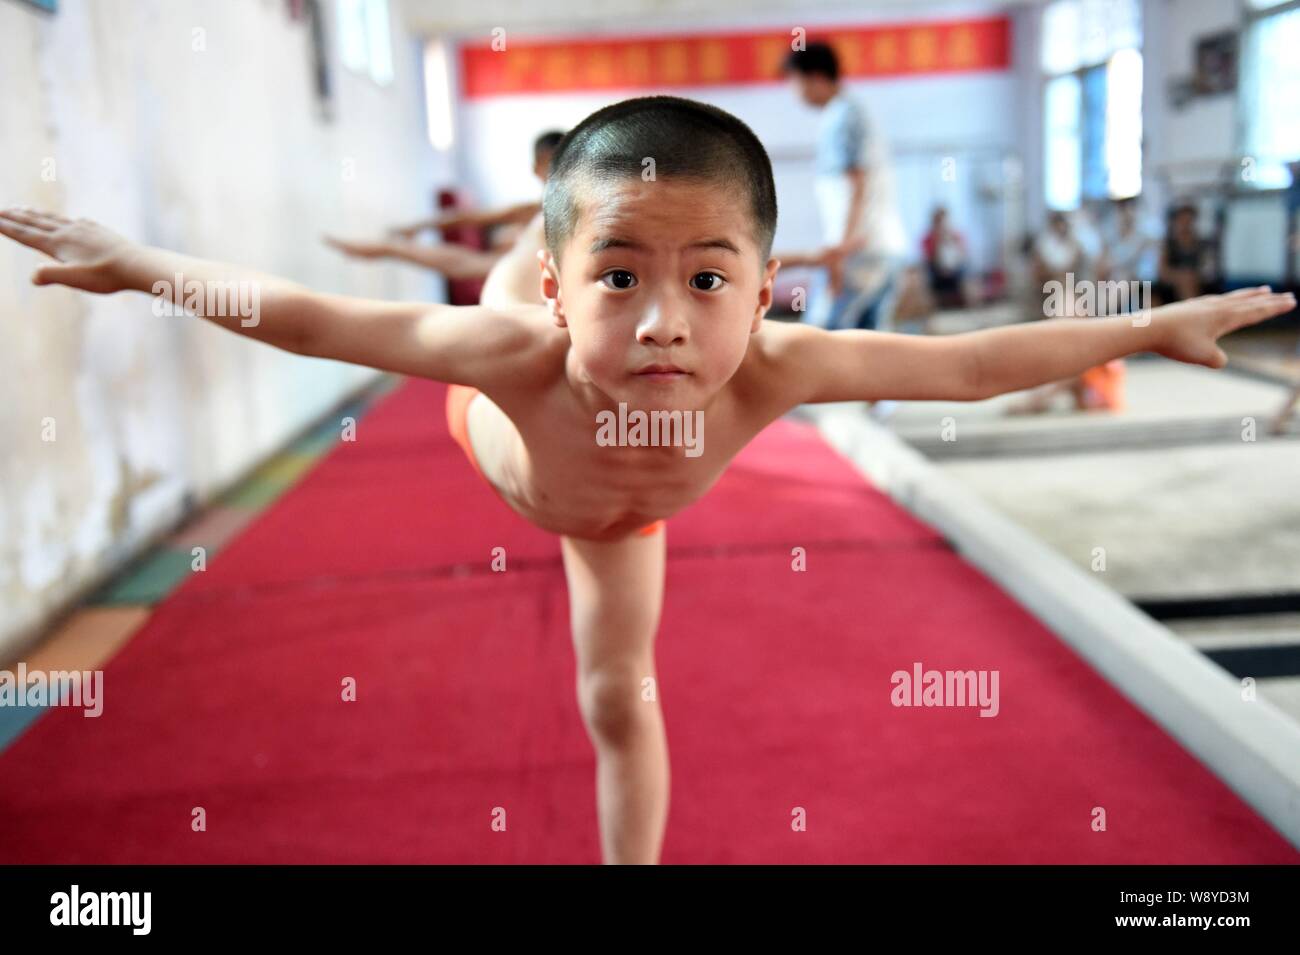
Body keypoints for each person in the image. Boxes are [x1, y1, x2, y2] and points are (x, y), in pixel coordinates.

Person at [3, 96, 1292, 865]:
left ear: (767, 288)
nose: (669, 321)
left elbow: (966, 366)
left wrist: (1140, 326)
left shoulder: (775, 366)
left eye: (708, 280)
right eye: (623, 277)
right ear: (577, 296)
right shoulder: (511, 347)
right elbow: (301, 316)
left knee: (619, 690)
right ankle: (534, 243)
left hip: (622, 520)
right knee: (507, 296)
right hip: (501, 435)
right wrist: (137, 262)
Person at [322, 130, 564, 288]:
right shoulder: (532, 211)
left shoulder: (553, 211)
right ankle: (389, 247)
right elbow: (468, 219)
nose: (553, 173)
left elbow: (470, 231)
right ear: (536, 168)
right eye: (547, 165)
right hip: (514, 270)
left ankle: (390, 248)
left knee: (491, 252)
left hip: (533, 273)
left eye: (558, 164)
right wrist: (416, 228)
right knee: (489, 252)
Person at [781, 42, 907, 333]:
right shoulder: (851, 111)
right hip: (882, 247)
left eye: (795, 82)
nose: (794, 91)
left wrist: (839, 252)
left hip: (859, 252)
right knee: (869, 347)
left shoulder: (842, 116)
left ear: (815, 77)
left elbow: (856, 185)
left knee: (821, 340)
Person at [1156, 202, 1215, 304]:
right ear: (1176, 222)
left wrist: (1193, 275)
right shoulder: (1169, 245)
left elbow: (1209, 270)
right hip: (1173, 284)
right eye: (1182, 221)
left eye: (1189, 221)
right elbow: (1162, 272)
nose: (1185, 225)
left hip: (1196, 283)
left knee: (1188, 280)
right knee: (1185, 280)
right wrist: (1180, 276)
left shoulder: (1202, 244)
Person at [920, 206, 968, 309]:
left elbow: (963, 255)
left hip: (955, 268)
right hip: (936, 270)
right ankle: (934, 305)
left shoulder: (956, 235)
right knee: (928, 273)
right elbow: (929, 259)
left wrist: (952, 241)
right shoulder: (928, 238)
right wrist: (937, 241)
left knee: (966, 269)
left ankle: (966, 302)